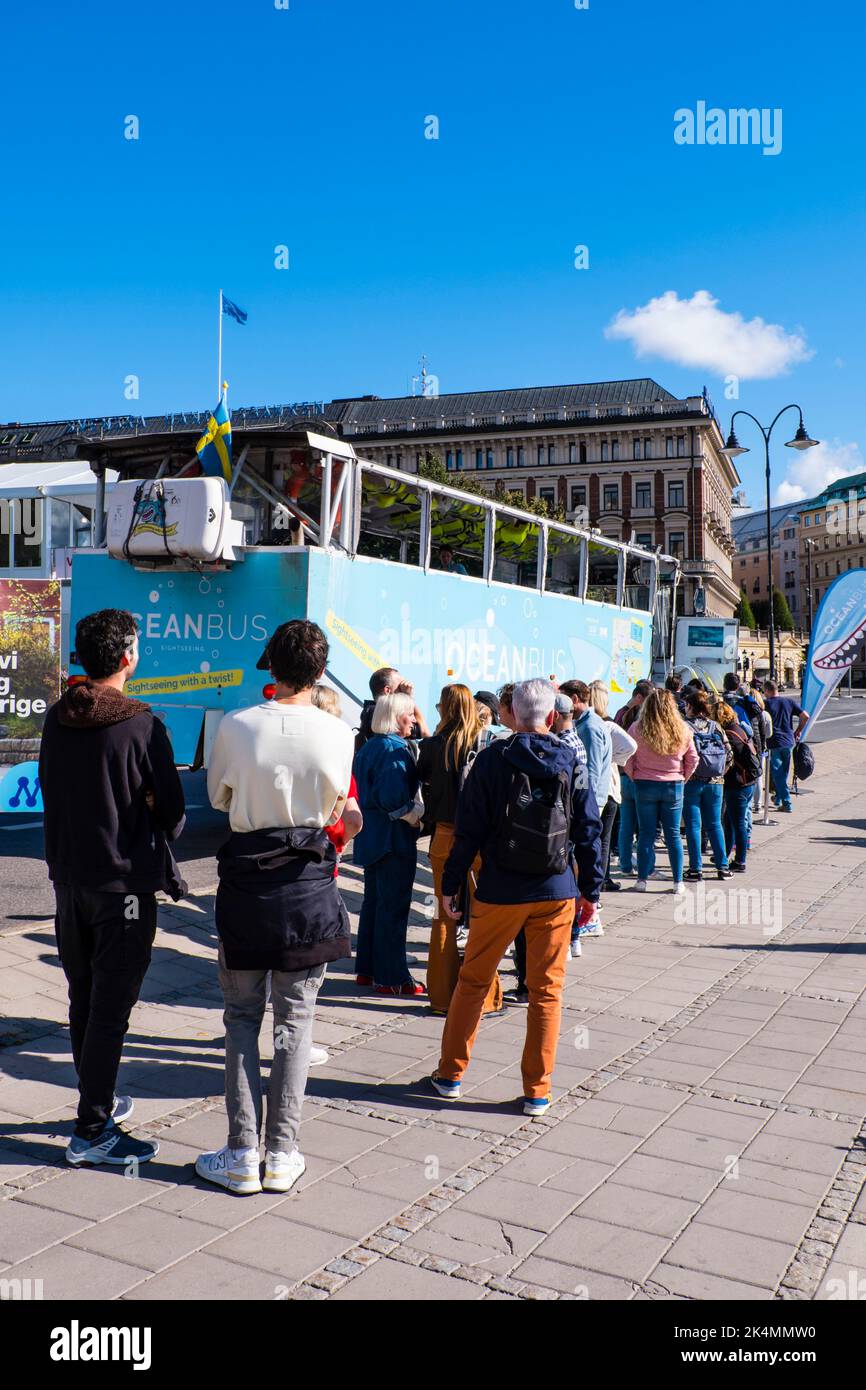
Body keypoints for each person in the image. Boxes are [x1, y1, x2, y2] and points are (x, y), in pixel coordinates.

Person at [199, 620, 354, 1195]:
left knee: (241, 1019)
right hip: (310, 885)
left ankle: (242, 1152)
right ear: (320, 671)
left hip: (246, 883)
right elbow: (339, 801)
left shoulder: (237, 725)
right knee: (295, 1023)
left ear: (271, 666)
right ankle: (283, 1152)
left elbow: (219, 798)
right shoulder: (339, 733)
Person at [39, 609, 186, 1169]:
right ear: (128, 657)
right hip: (122, 881)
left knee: (84, 995)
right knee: (110, 1008)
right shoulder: (142, 725)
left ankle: (95, 1101)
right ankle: (92, 1128)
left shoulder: (58, 718)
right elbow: (171, 813)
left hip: (69, 877)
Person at [431, 678, 604, 1117]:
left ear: (511, 714)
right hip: (556, 888)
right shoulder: (571, 759)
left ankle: (450, 1075)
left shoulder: (491, 759)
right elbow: (588, 828)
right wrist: (591, 889)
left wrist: (451, 886)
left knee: (473, 982)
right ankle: (537, 1091)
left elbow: (467, 831)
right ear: (550, 717)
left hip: (500, 889)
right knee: (546, 991)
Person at [417, 684, 503, 1016]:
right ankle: (486, 997)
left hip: (443, 834)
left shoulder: (433, 745)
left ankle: (440, 997)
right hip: (480, 837)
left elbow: (420, 779)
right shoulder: (485, 743)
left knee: (443, 916)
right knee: (484, 917)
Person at [353, 692, 425, 996]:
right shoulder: (395, 749)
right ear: (398, 717)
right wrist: (416, 819)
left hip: (371, 837)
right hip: (392, 839)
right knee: (393, 909)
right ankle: (392, 976)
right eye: (410, 714)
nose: (413, 720)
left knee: (373, 904)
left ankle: (367, 970)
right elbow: (393, 801)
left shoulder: (370, 746)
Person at [623, 688, 698, 894]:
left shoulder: (637, 728)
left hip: (644, 783)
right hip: (673, 784)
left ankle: (642, 880)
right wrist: (683, 777)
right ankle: (677, 882)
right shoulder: (682, 729)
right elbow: (693, 759)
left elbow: (627, 757)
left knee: (646, 834)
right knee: (673, 835)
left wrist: (634, 775)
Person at [560, 680, 612, 932]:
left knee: (583, 858)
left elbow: (587, 773)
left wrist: (587, 806)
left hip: (590, 803)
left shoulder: (590, 727)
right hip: (591, 802)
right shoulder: (588, 724)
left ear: (577, 699)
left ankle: (587, 917)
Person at [588, 681, 637, 895]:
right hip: (608, 787)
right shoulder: (606, 724)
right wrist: (613, 760)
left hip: (594, 787)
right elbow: (630, 746)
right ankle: (602, 877)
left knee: (593, 837)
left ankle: (596, 878)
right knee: (604, 837)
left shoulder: (589, 724)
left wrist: (611, 759)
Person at [682, 688, 733, 881]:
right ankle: (723, 867)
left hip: (692, 782)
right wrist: (719, 772)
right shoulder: (715, 726)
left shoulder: (684, 727)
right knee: (715, 825)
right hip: (715, 783)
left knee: (694, 826)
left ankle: (696, 869)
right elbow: (729, 754)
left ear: (690, 706)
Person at [715, 698, 760, 870]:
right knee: (730, 821)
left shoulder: (728, 735)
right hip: (747, 781)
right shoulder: (739, 728)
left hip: (738, 783)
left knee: (737, 822)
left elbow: (728, 760)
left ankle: (740, 860)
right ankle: (725, 855)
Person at [616, 682, 650, 875]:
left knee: (626, 825)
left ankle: (625, 864)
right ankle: (647, 867)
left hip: (624, 777)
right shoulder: (641, 726)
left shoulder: (622, 715)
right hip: (639, 778)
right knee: (645, 827)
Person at [355, 667, 429, 752]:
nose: (404, 690)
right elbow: (424, 732)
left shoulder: (370, 711)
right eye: (400, 687)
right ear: (387, 690)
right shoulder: (379, 713)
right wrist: (408, 697)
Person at [763, 680, 809, 812]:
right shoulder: (789, 702)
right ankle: (778, 798)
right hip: (788, 741)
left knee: (777, 773)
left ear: (767, 691)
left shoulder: (766, 704)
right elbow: (805, 716)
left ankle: (787, 802)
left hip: (774, 742)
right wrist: (798, 730)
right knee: (784, 772)